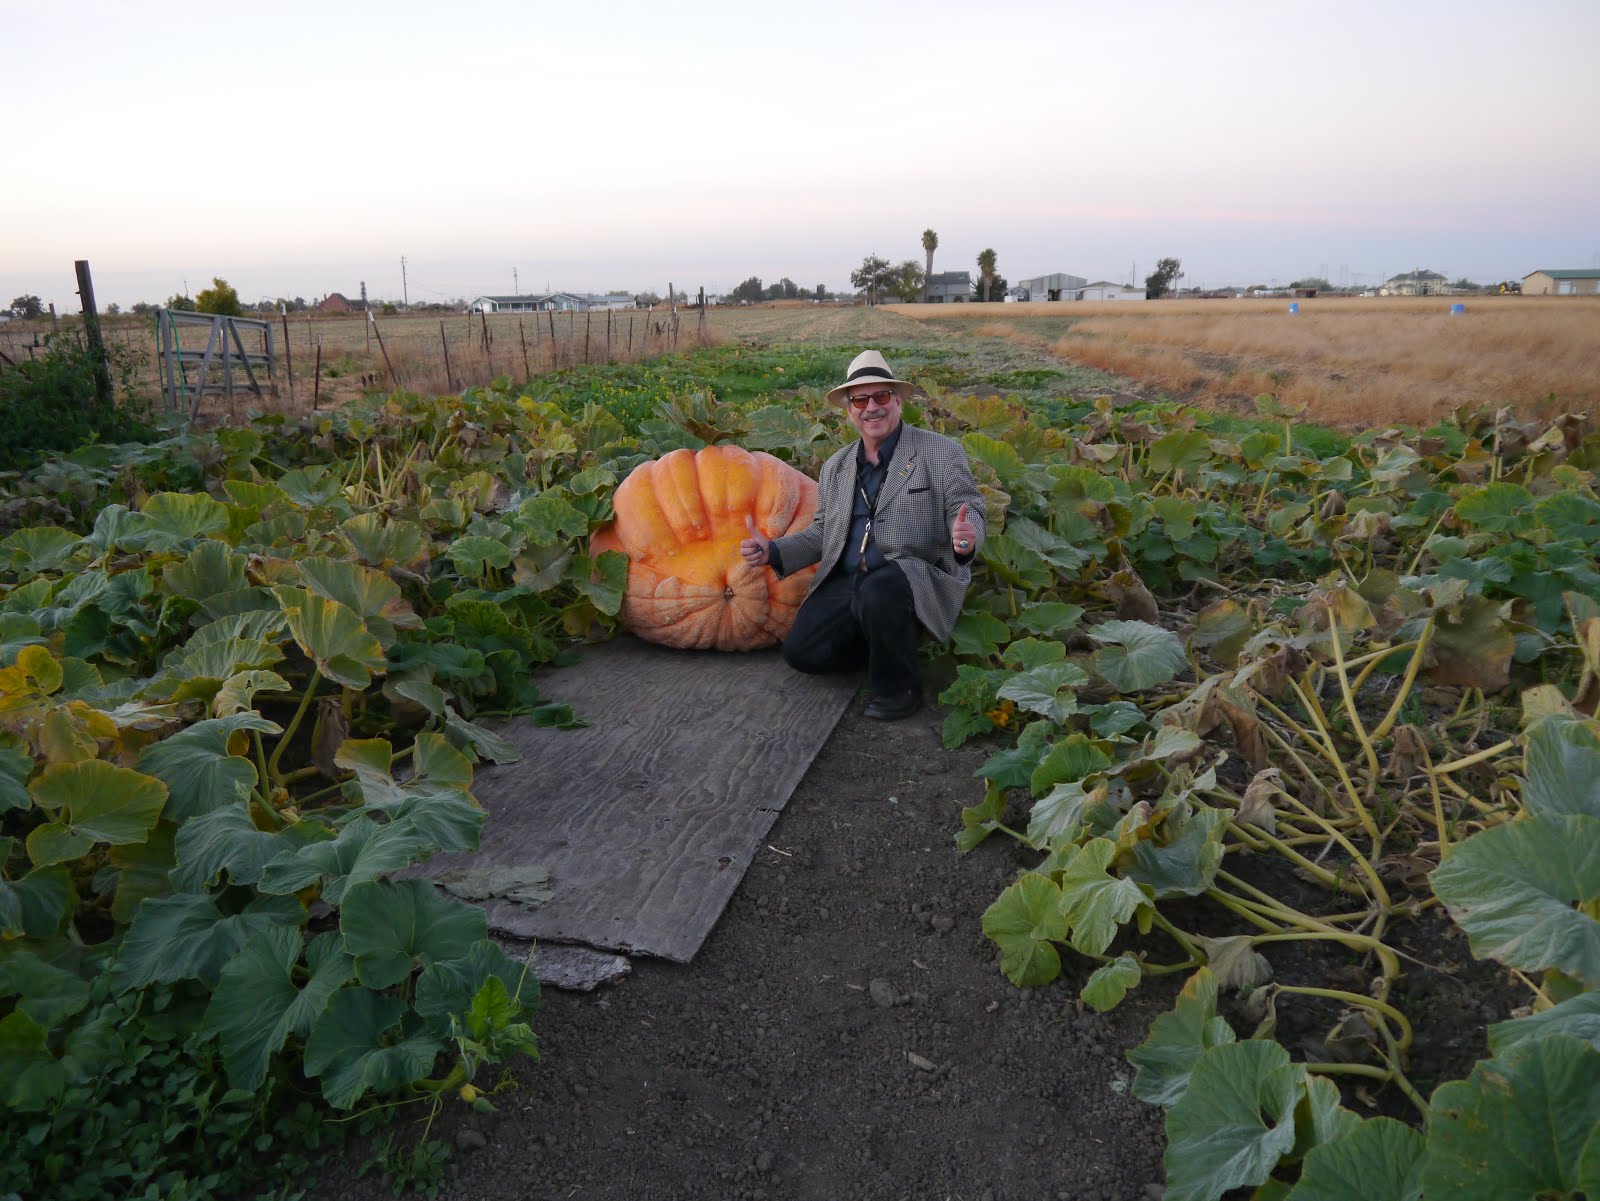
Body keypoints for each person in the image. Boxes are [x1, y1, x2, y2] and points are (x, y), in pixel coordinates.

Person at [739, 350, 984, 720]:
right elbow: (823, 531)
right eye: (860, 399)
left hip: (911, 573)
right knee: (801, 653)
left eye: (881, 397)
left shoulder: (940, 453)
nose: (872, 407)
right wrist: (772, 550)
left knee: (879, 591)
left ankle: (899, 690)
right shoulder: (837, 466)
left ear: (898, 401)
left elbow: (966, 505)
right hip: (850, 577)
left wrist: (966, 536)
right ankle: (883, 641)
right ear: (850, 410)